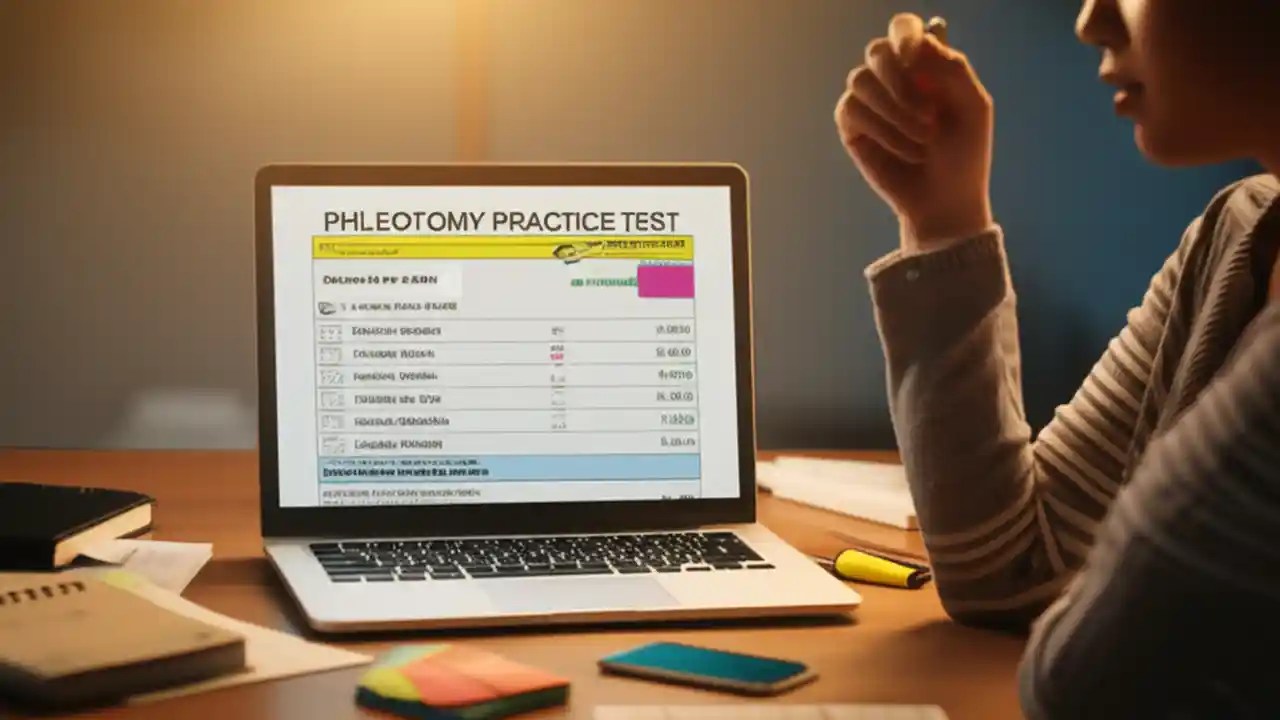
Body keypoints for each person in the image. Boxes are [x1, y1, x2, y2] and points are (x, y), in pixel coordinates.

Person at [833, 2, 1280, 717]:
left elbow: (1093, 682)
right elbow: (1011, 572)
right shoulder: (1236, 240)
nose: (1091, 19)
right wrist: (944, 220)